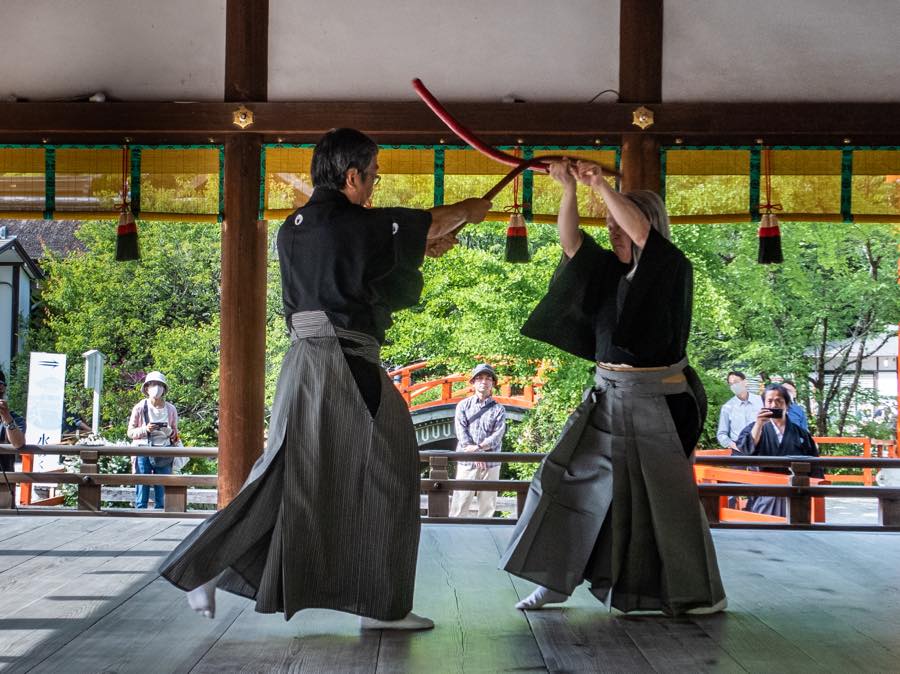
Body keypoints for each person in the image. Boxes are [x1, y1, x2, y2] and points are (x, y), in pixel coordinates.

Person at [159, 128, 491, 630]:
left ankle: (207, 567)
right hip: (344, 361)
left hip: (305, 363)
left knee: (291, 470)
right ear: (352, 176)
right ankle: (377, 605)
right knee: (391, 471)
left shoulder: (293, 228)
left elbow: (358, 269)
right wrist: (469, 209)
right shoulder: (354, 223)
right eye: (373, 176)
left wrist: (421, 245)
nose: (374, 186)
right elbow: (427, 223)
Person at [499, 158, 726, 616]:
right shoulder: (604, 268)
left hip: (660, 401)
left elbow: (643, 236)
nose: (613, 231)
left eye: (620, 223)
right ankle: (553, 581)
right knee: (562, 479)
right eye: (609, 224)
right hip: (606, 395)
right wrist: (569, 190)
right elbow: (570, 241)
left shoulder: (670, 266)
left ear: (646, 225)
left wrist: (601, 185)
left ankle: (700, 593)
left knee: (665, 502)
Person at [735, 383, 821, 517]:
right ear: (764, 404)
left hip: (794, 490)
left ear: (787, 404)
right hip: (764, 492)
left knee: (795, 524)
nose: (774, 405)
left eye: (779, 401)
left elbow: (814, 464)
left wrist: (816, 489)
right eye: (769, 401)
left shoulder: (801, 433)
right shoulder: (754, 428)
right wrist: (759, 424)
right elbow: (746, 449)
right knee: (765, 526)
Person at [449, 364, 507, 518]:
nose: (484, 382)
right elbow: (461, 433)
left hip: (490, 462)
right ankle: (455, 531)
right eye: (479, 378)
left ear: (493, 383)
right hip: (467, 460)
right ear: (473, 383)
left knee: (487, 506)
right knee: (460, 503)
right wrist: (475, 454)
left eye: (488, 378)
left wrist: (479, 449)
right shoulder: (463, 406)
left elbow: (497, 435)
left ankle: (486, 532)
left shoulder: (499, 409)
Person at [127, 371, 179, 509]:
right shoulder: (140, 407)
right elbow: (130, 432)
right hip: (143, 450)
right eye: (153, 384)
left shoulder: (170, 409)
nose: (156, 388)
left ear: (164, 388)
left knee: (162, 488)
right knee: (142, 485)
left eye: (160, 385)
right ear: (146, 388)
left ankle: (161, 514)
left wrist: (168, 431)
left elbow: (176, 436)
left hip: (164, 450)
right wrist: (146, 429)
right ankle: (140, 513)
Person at [716, 371, 763, 450]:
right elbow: (721, 434)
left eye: (736, 382)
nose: (734, 386)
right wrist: (734, 446)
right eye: (731, 384)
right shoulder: (727, 407)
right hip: (739, 447)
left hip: (761, 446)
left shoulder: (760, 401)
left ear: (745, 382)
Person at [0, 373, 26, 474]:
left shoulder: (16, 419)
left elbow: (18, 444)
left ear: (2, 388)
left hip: (4, 480)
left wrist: (7, 417)